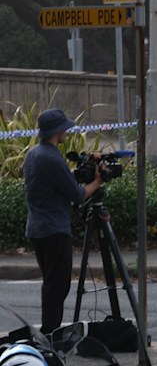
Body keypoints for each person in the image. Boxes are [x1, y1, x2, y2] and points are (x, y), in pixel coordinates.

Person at [24, 108, 104, 333]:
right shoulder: (51, 158)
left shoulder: (34, 154)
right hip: (55, 230)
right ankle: (50, 334)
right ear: (57, 131)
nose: (67, 131)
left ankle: (49, 331)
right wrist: (98, 180)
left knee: (51, 283)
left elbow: (56, 182)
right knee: (57, 286)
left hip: (38, 228)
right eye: (65, 128)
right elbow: (77, 195)